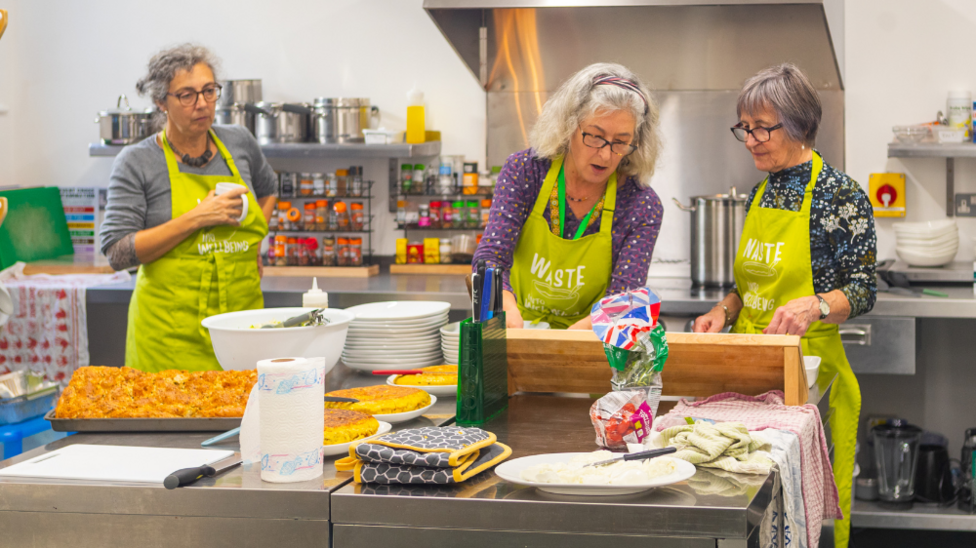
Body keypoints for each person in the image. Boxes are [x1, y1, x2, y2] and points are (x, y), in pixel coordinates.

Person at [693, 64, 876, 548]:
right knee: (740, 498)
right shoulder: (761, 192)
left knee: (800, 512)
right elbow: (746, 287)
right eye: (744, 128)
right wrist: (724, 311)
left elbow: (863, 289)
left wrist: (815, 306)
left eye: (762, 128)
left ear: (797, 125)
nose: (750, 140)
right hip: (747, 367)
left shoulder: (840, 195)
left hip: (806, 372)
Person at [100, 44, 277, 372]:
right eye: (186, 95)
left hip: (242, 328)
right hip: (169, 339)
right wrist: (196, 218)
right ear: (161, 101)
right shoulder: (137, 161)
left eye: (209, 91)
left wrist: (255, 241)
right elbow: (117, 253)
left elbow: (269, 190)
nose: (202, 104)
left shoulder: (239, 142)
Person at [473, 63, 664, 330]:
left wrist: (568, 342)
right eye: (595, 136)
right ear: (568, 127)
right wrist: (503, 313)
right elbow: (490, 259)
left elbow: (624, 300)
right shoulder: (525, 171)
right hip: (518, 325)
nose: (606, 155)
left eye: (621, 142)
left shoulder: (641, 205)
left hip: (592, 337)